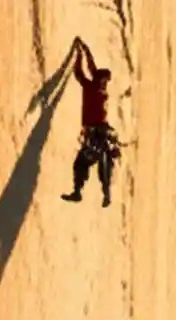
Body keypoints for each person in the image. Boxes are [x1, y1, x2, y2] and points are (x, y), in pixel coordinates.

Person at [61, 37, 120, 207]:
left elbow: (80, 73)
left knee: (83, 162)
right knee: (102, 160)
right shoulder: (100, 89)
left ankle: (80, 191)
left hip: (95, 133)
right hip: (102, 132)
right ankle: (105, 191)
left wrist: (79, 55)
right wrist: (85, 51)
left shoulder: (92, 87)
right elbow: (92, 69)